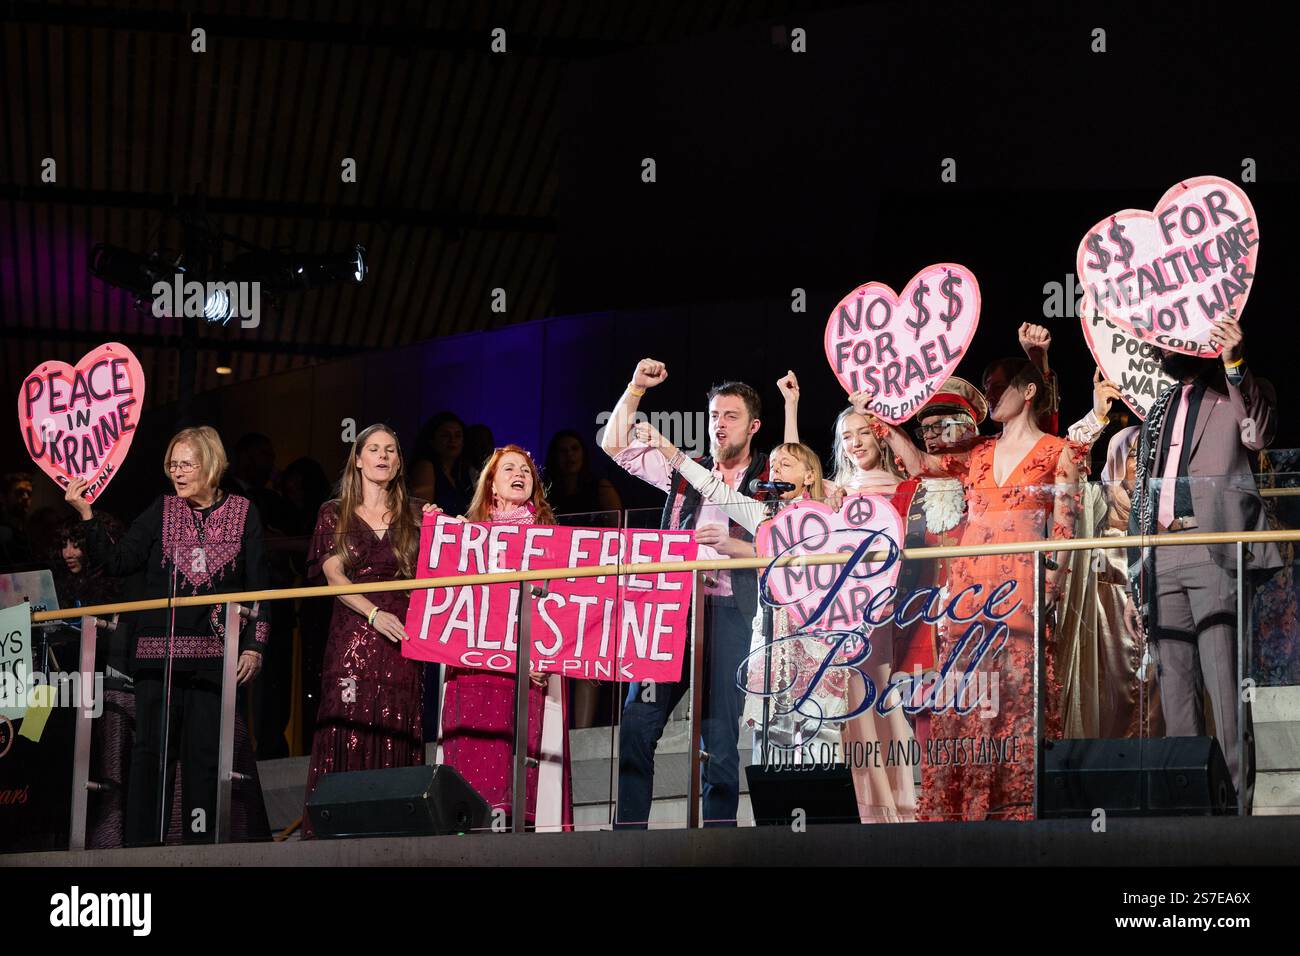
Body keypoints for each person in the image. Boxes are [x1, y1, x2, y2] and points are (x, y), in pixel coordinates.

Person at [874, 360, 1088, 821]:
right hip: (970, 598)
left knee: (1016, 701)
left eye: (997, 387)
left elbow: (1066, 530)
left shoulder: (1058, 453)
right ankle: (964, 812)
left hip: (1022, 595)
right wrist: (888, 430)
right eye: (987, 388)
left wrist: (1049, 589)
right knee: (969, 704)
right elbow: (922, 467)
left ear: (1028, 390)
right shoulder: (978, 453)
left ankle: (1017, 812)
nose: (990, 396)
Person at [66, 426, 271, 845]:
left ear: (211, 464)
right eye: (172, 465)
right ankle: (141, 847)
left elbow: (260, 588)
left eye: (186, 465)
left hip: (214, 655)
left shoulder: (244, 511)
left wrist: (255, 645)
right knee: (150, 755)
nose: (177, 473)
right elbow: (117, 561)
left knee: (202, 757)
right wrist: (86, 514)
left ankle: (199, 844)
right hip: (157, 655)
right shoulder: (161, 510)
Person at [600, 359, 768, 828]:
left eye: (730, 416)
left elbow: (783, 543)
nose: (719, 425)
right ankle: (629, 835)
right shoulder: (683, 473)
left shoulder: (769, 477)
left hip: (730, 615)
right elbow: (613, 444)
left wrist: (736, 547)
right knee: (636, 722)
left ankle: (718, 840)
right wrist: (634, 388)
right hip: (671, 611)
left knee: (718, 736)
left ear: (753, 426)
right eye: (714, 415)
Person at [1126, 315, 1281, 799]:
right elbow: (1140, 494)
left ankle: (1238, 810)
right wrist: (1139, 569)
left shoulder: (1240, 390)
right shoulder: (1159, 408)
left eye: (1171, 343)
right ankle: (1186, 807)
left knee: (1224, 684)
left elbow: (1258, 436)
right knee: (1175, 694)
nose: (1161, 351)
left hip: (1213, 550)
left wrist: (1234, 363)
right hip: (1162, 551)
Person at [435, 445, 573, 830]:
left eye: (526, 470)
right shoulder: (467, 537)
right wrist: (436, 527)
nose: (520, 474)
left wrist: (544, 658)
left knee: (520, 760)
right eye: (509, 469)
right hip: (477, 667)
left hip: (529, 665)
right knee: (479, 756)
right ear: (492, 487)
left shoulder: (551, 538)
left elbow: (562, 605)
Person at [301, 425, 429, 838]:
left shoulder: (416, 513)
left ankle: (394, 828)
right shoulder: (333, 512)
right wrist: (373, 614)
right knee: (350, 723)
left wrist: (450, 526)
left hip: (403, 637)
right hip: (354, 635)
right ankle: (340, 827)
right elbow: (334, 577)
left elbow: (443, 564)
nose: (383, 456)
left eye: (391, 450)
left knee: (397, 722)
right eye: (373, 449)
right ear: (357, 459)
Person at [50, 516, 132, 848]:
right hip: (55, 680)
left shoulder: (114, 586)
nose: (68, 552)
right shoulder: (57, 585)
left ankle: (97, 827)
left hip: (96, 681)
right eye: (65, 545)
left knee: (97, 756)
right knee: (42, 738)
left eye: (77, 545)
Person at [543, 429, 623, 728]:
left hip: (592, 584)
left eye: (575, 448)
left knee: (587, 657)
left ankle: (583, 733)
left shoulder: (599, 486)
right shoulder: (544, 492)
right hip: (553, 584)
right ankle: (554, 729)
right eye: (563, 450)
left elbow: (619, 530)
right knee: (554, 653)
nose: (569, 455)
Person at [408, 412, 477, 516]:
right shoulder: (425, 467)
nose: (452, 440)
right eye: (445, 435)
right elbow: (422, 513)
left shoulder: (462, 472)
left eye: (458, 436)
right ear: (432, 440)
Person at [0, 472, 34, 567]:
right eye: (19, 492)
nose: (26, 497)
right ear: (3, 497)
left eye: (29, 493)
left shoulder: (29, 531)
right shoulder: (4, 533)